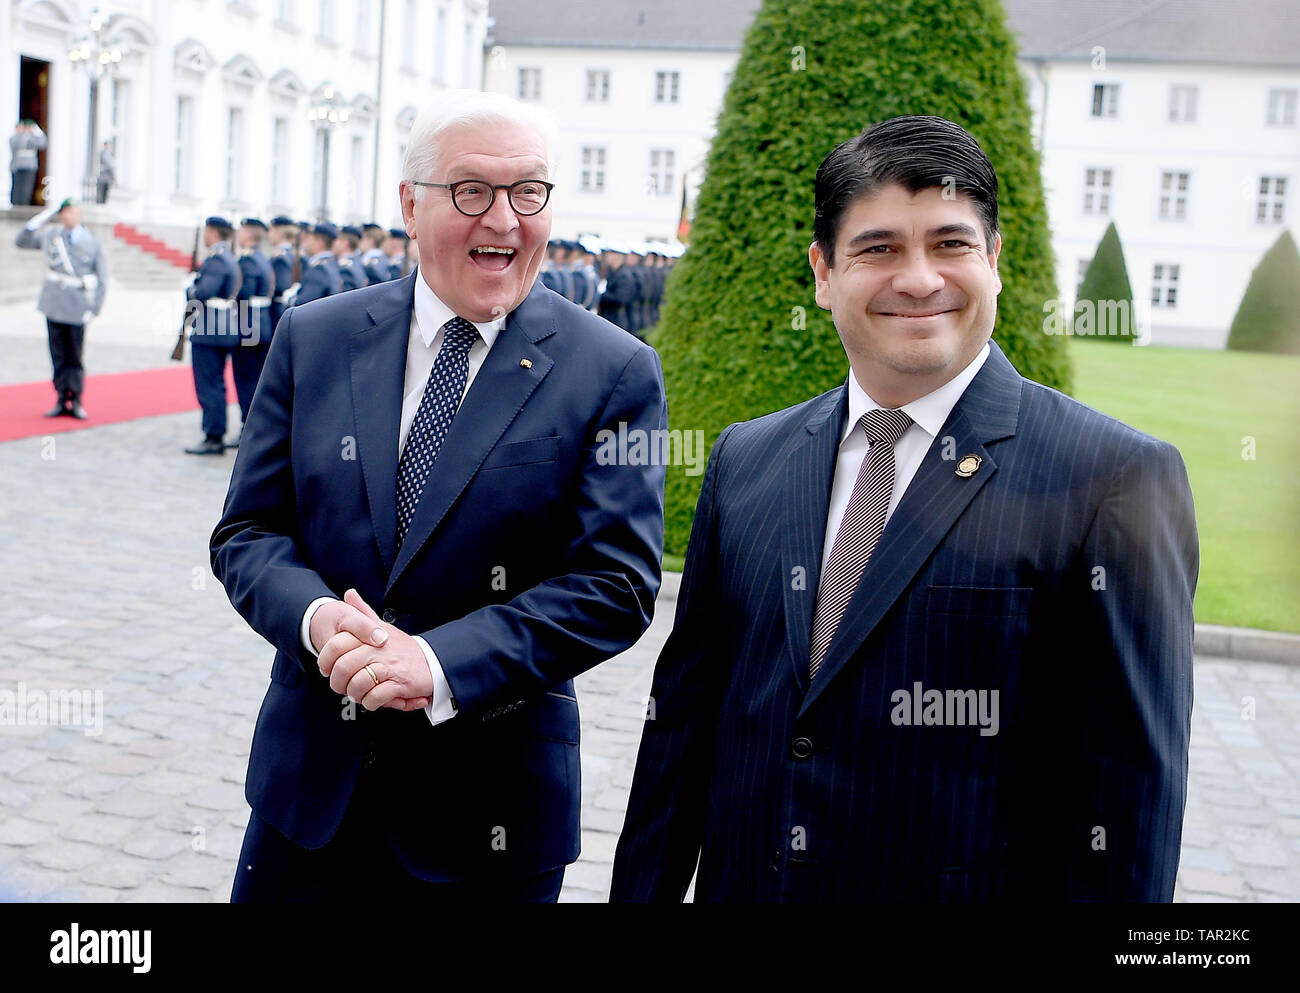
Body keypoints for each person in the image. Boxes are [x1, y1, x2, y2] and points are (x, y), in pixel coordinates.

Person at [610, 115, 1197, 903]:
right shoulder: (747, 458)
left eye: (950, 245)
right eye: (878, 248)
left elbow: (1129, 801)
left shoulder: (1115, 478)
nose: (918, 278)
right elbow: (681, 731)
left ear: (994, 259)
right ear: (823, 273)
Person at [212, 88, 667, 903]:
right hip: (307, 801)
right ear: (409, 206)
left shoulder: (615, 370)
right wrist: (320, 622)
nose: (503, 220)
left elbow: (616, 585)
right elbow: (248, 532)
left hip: (489, 820)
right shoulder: (314, 336)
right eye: (471, 192)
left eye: (528, 192)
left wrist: (435, 662)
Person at [14, 197, 107, 418]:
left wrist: (94, 308)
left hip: (77, 305)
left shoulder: (92, 242)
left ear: (79, 214)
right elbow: (22, 240)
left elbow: (102, 277)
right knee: (57, 354)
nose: (68, 216)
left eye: (72, 212)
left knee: (74, 354)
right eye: (64, 213)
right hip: (54, 302)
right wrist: (44, 216)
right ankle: (60, 395)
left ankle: (75, 398)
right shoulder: (51, 235)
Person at [183, 216, 243, 456]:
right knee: (215, 384)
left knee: (209, 385)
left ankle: (213, 435)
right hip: (221, 328)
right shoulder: (226, 257)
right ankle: (214, 432)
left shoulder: (217, 260)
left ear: (214, 232)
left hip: (210, 330)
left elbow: (203, 292)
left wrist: (190, 287)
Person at [229, 217, 276, 447]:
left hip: (248, 326)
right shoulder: (262, 258)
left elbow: (242, 293)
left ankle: (248, 426)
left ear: (247, 234)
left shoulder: (247, 261)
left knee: (246, 378)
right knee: (256, 378)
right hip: (262, 325)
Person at [294, 222, 342, 306]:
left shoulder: (319, 269)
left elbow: (304, 304)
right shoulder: (332, 263)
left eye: (309, 239)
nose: (306, 244)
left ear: (319, 242)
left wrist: (290, 300)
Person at [267, 216, 300, 333]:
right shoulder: (291, 253)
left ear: (278, 232)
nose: (269, 234)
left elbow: (281, 285)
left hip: (277, 309)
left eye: (270, 230)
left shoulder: (281, 257)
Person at [9, 119, 46, 207]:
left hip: (29, 165)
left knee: (27, 185)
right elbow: (15, 143)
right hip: (17, 165)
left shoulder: (33, 137)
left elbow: (43, 143)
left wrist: (36, 131)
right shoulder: (16, 137)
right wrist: (22, 133)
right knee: (17, 185)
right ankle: (15, 203)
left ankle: (24, 203)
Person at [333, 224, 368, 292]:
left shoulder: (344, 267)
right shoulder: (358, 263)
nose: (334, 243)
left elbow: (343, 298)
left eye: (336, 240)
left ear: (345, 243)